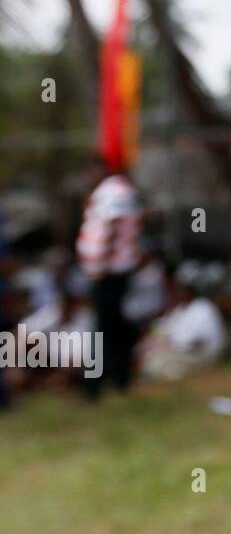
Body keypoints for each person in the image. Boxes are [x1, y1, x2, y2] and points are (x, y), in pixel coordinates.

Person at [74, 159, 144, 397]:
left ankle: (93, 386)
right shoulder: (116, 191)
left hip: (109, 272)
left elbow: (111, 228)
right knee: (113, 326)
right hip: (110, 271)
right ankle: (119, 377)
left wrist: (100, 262)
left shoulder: (114, 191)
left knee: (102, 329)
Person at [138, 270, 226, 382]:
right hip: (178, 351)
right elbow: (162, 332)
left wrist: (172, 344)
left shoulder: (203, 307)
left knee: (160, 362)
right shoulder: (179, 310)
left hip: (199, 353)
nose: (178, 293)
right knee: (152, 358)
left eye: (181, 289)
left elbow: (197, 341)